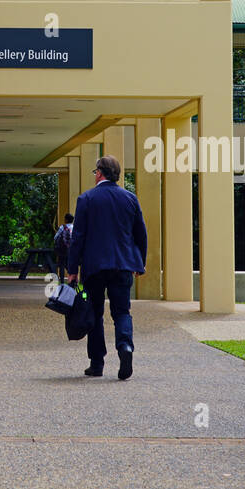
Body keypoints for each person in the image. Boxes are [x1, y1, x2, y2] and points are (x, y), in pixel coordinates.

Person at [66, 155, 147, 380]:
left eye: (95, 172)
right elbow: (140, 233)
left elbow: (78, 238)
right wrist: (139, 263)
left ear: (100, 173)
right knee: (122, 311)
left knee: (95, 314)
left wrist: (72, 269)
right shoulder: (130, 199)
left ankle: (97, 363)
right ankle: (125, 347)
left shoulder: (87, 199)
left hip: (94, 267)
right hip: (122, 266)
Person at [53, 213, 74, 282]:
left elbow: (55, 237)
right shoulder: (74, 227)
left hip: (63, 249)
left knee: (61, 265)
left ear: (66, 219)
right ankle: (72, 278)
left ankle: (62, 280)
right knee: (69, 265)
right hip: (71, 249)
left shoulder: (63, 227)